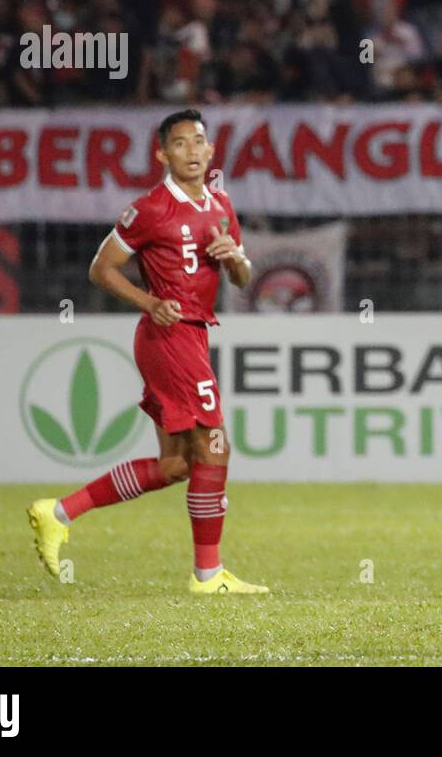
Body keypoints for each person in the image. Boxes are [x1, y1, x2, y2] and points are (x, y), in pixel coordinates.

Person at [27, 109, 268, 594]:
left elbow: (241, 278)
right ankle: (208, 574)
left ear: (211, 150)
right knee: (215, 448)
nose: (193, 151)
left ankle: (57, 512)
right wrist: (150, 301)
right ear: (162, 153)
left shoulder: (221, 205)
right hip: (168, 335)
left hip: (193, 334)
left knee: (178, 465)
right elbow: (102, 268)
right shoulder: (151, 208)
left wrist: (235, 258)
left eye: (199, 141)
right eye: (180, 143)